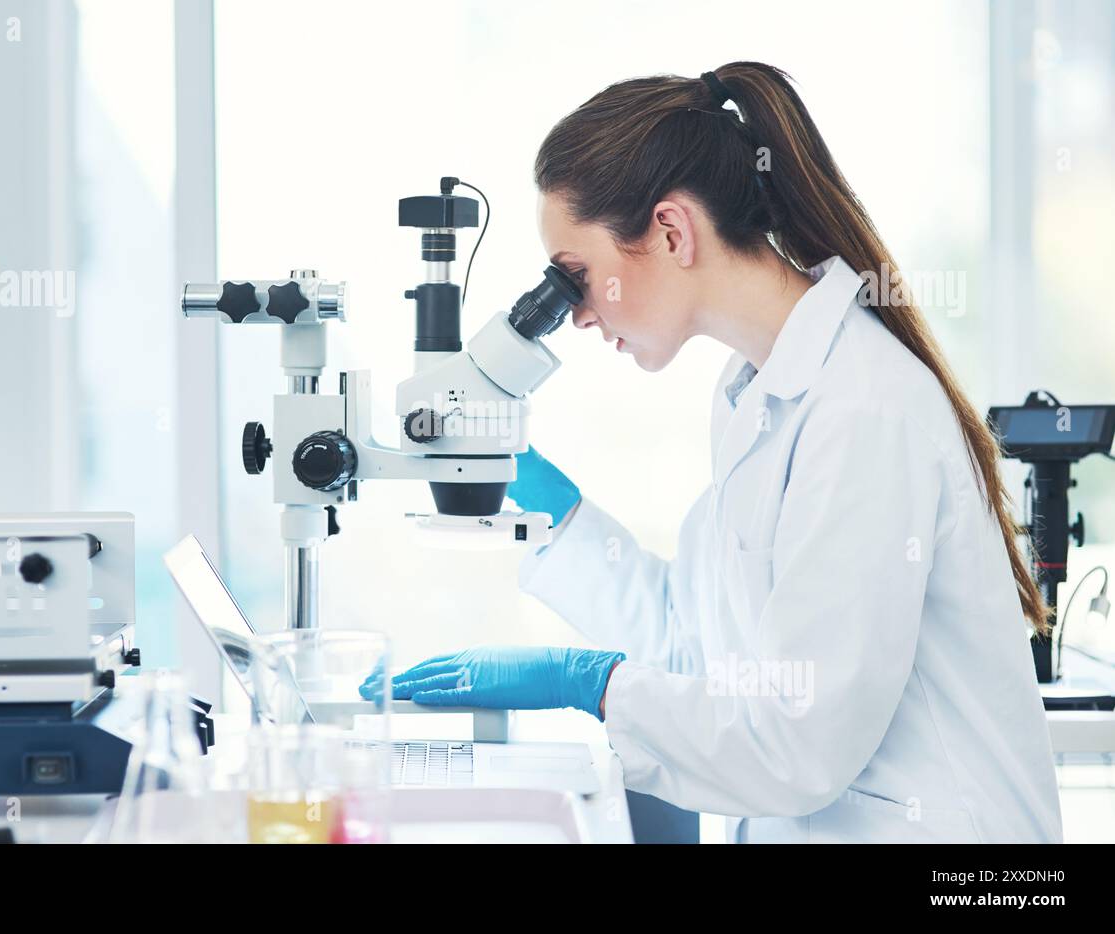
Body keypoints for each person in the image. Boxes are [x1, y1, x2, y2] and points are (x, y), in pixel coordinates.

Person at [375, 63, 1062, 843]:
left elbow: (799, 740)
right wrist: (552, 514)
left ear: (671, 231)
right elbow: (702, 649)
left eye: (576, 280)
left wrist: (591, 685)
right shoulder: (755, 394)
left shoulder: (863, 409)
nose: (573, 317)